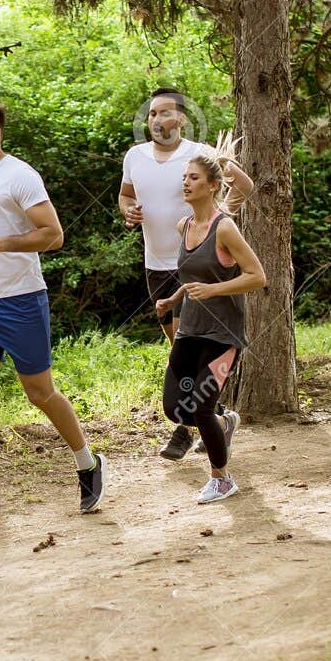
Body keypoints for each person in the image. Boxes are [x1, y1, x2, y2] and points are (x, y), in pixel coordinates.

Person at [0, 96, 107, 526]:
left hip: (22, 301)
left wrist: (1, 244)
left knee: (40, 394)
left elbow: (54, 235)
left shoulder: (20, 176)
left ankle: (87, 463)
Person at [118, 88, 254, 460]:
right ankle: (216, 418)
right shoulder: (135, 156)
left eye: (165, 113)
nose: (157, 121)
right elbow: (125, 196)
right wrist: (128, 211)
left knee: (186, 344)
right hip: (155, 263)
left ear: (181, 119)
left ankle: (188, 426)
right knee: (177, 347)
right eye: (151, 115)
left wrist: (223, 217)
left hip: (194, 266)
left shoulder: (200, 155)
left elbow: (244, 185)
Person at [154, 154, 266, 504]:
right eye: (184, 177)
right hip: (191, 328)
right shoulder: (183, 227)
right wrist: (174, 299)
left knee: (201, 409)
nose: (186, 183)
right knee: (175, 408)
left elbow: (257, 277)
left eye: (194, 178)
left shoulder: (225, 228)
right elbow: (193, 278)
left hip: (223, 334)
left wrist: (215, 290)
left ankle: (221, 479)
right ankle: (225, 422)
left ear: (213, 185)